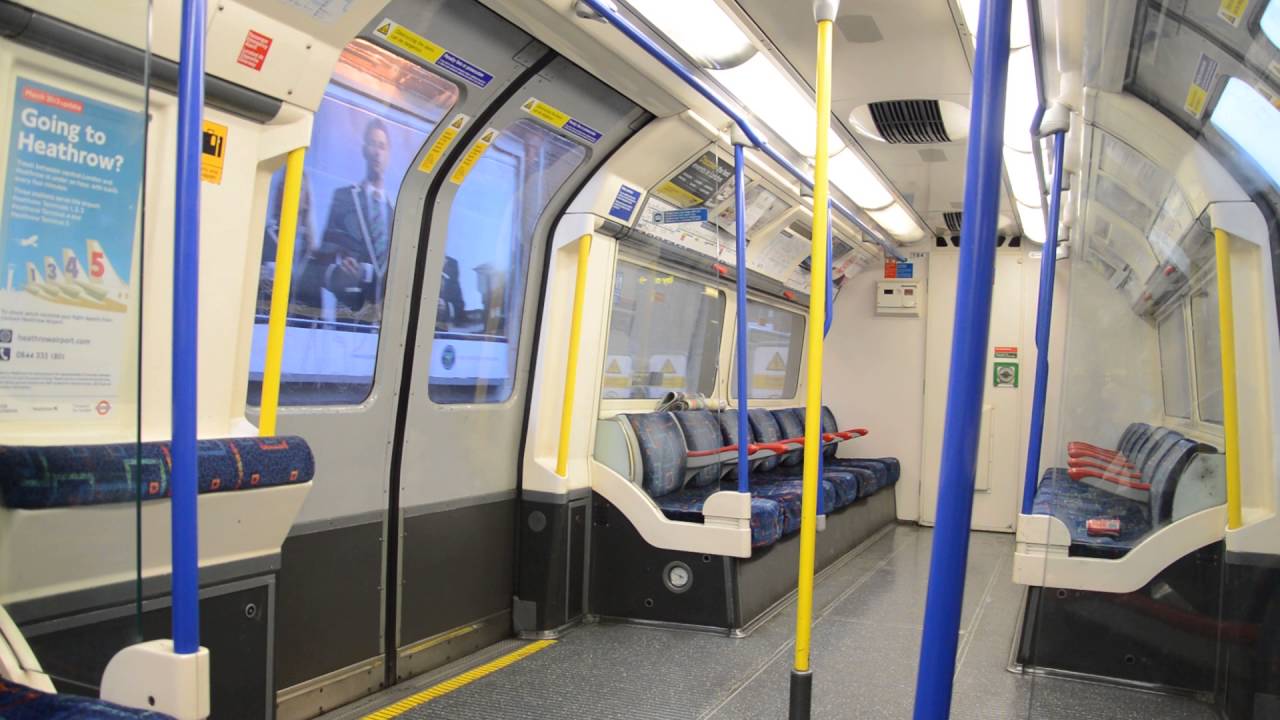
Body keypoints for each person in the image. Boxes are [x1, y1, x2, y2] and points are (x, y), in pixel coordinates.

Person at [306, 117, 395, 318]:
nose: (377, 152)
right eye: (372, 144)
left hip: (384, 320)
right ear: (364, 150)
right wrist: (340, 275)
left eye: (382, 146)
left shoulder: (396, 213)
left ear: (389, 154)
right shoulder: (344, 198)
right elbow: (322, 262)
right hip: (349, 318)